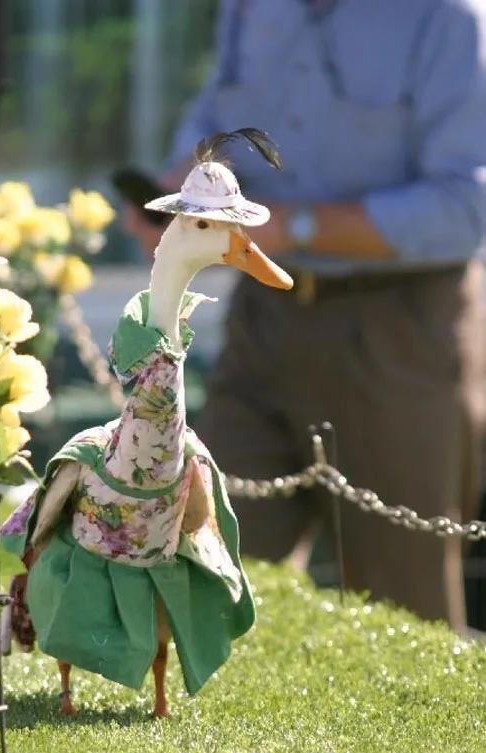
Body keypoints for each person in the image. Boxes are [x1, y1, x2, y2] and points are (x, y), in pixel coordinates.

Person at [124, 0, 486, 629]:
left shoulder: (449, 19)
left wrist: (289, 227)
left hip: (399, 331)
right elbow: (214, 126)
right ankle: (183, 723)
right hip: (261, 319)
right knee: (197, 556)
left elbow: (465, 208)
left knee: (401, 613)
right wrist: (183, 201)